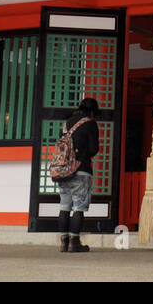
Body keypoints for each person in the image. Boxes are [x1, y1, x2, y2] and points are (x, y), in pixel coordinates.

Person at [56, 97, 100, 253]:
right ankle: (74, 242)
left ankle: (63, 242)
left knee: (64, 206)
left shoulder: (67, 123)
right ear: (93, 111)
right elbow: (94, 149)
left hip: (63, 171)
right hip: (81, 169)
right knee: (79, 207)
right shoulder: (90, 123)